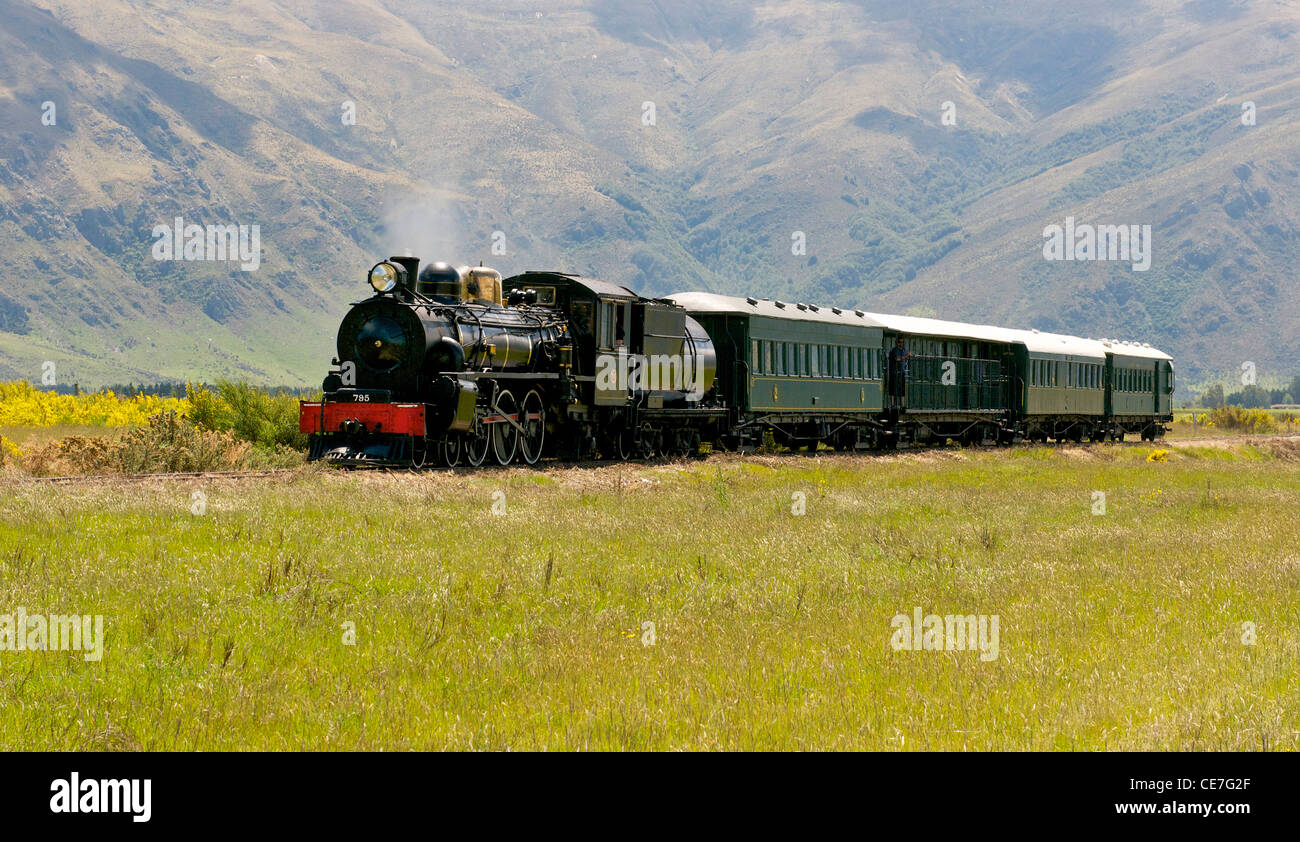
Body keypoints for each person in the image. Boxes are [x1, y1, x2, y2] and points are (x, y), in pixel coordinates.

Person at [887, 336, 911, 414]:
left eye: (902, 342)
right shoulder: (894, 350)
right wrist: (906, 356)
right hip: (894, 372)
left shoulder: (904, 350)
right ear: (897, 343)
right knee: (893, 389)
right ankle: (892, 405)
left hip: (902, 372)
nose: (901, 344)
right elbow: (897, 359)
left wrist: (908, 356)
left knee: (902, 389)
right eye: (899, 342)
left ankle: (902, 405)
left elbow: (905, 359)